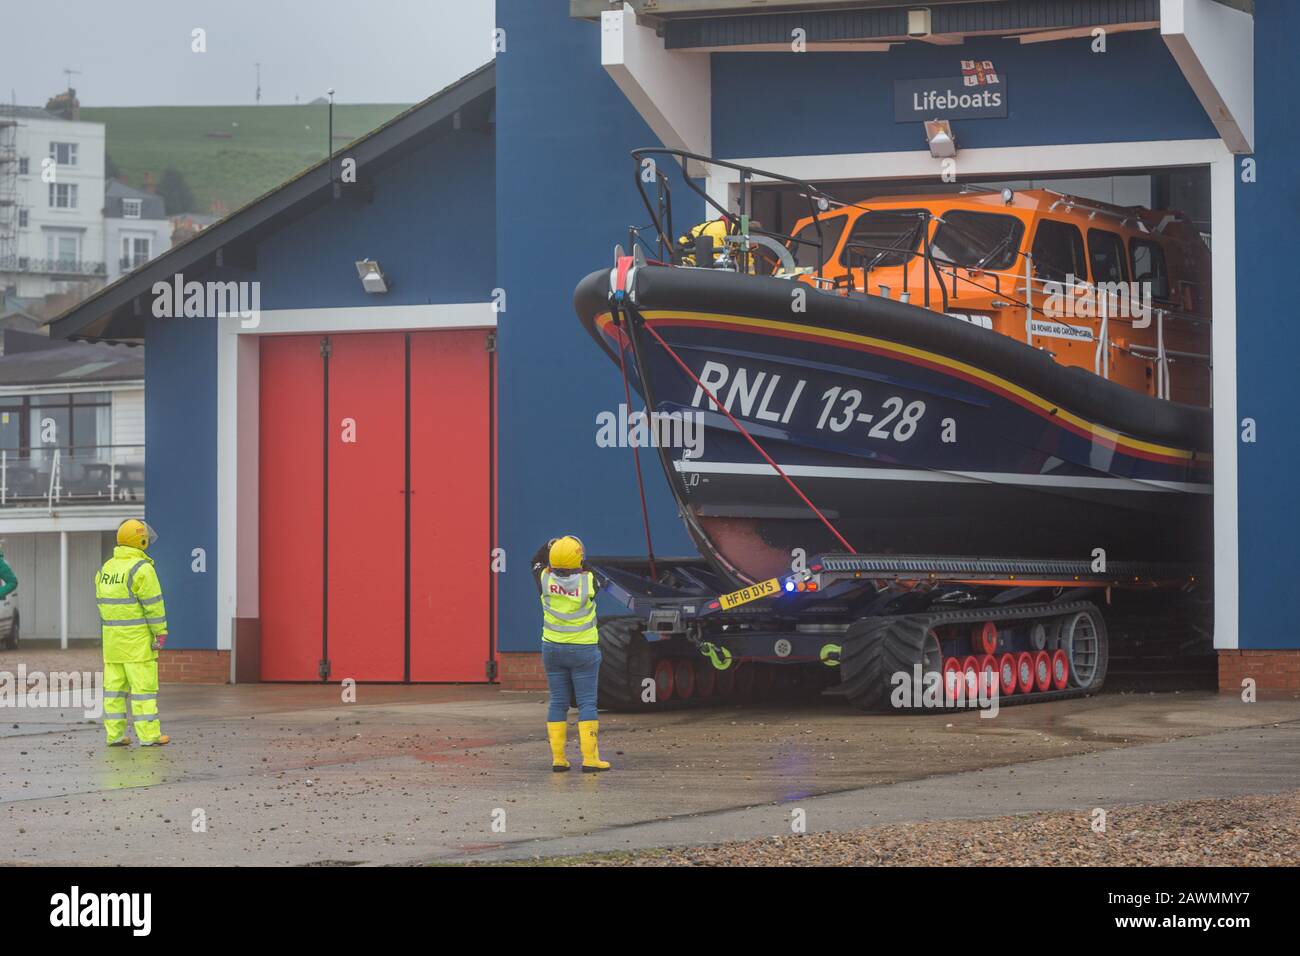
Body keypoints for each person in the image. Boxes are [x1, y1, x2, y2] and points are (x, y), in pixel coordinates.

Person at [533, 535, 610, 773]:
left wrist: (549, 544)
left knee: (558, 702)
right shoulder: (589, 581)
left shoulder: (544, 578)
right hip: (583, 650)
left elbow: (535, 562)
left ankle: (558, 758)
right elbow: (587, 568)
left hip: (552, 649)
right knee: (587, 703)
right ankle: (590, 759)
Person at [96, 519, 169, 747]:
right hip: (137, 644)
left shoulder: (106, 568)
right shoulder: (142, 569)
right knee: (143, 691)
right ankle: (149, 736)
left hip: (112, 644)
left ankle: (115, 735)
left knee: (114, 692)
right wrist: (160, 632)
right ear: (142, 540)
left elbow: (104, 605)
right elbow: (153, 605)